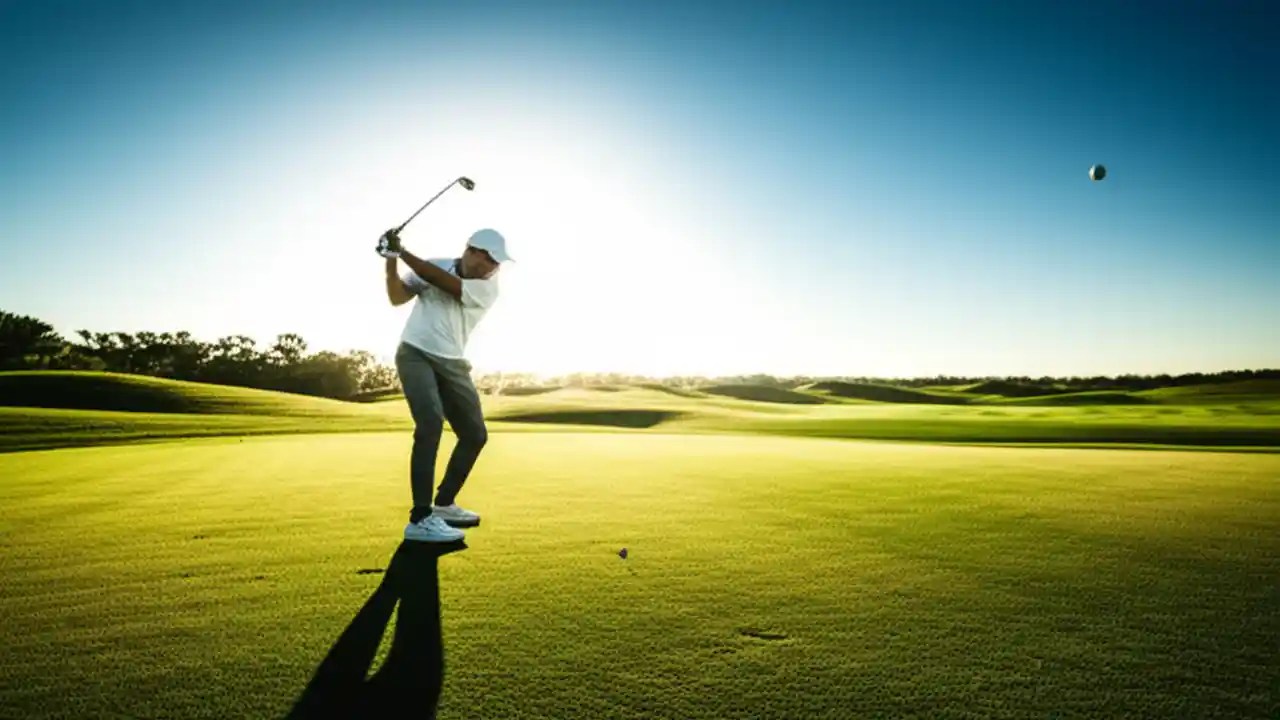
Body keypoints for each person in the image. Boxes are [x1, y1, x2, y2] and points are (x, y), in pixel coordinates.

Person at [378, 227, 513, 542]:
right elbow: (397, 297)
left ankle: (443, 504)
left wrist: (402, 252)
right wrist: (390, 261)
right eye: (490, 258)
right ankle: (421, 517)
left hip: (452, 361)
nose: (494, 266)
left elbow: (443, 282)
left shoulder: (487, 288)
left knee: (475, 434)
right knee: (430, 424)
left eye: (497, 262)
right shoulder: (434, 264)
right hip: (415, 353)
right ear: (472, 251)